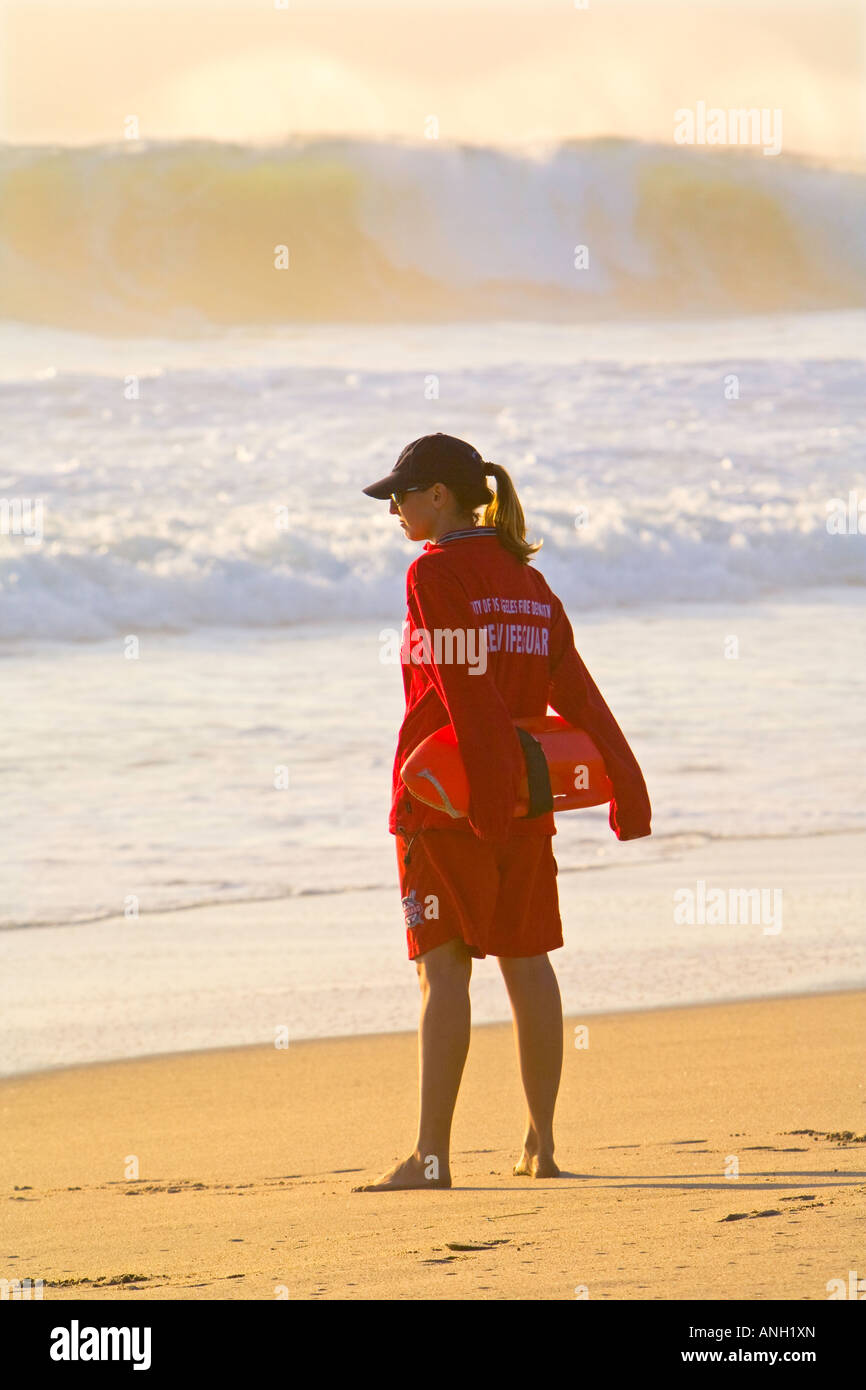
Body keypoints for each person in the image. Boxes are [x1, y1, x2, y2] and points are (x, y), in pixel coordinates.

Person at [353, 434, 651, 1191]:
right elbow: (575, 689)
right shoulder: (527, 580)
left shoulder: (435, 573)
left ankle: (432, 1159)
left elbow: (459, 685)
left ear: (439, 497)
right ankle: (542, 1148)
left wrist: (482, 798)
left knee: (443, 972)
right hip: (524, 798)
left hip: (449, 800)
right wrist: (626, 779)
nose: (393, 508)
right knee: (527, 961)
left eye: (401, 494)